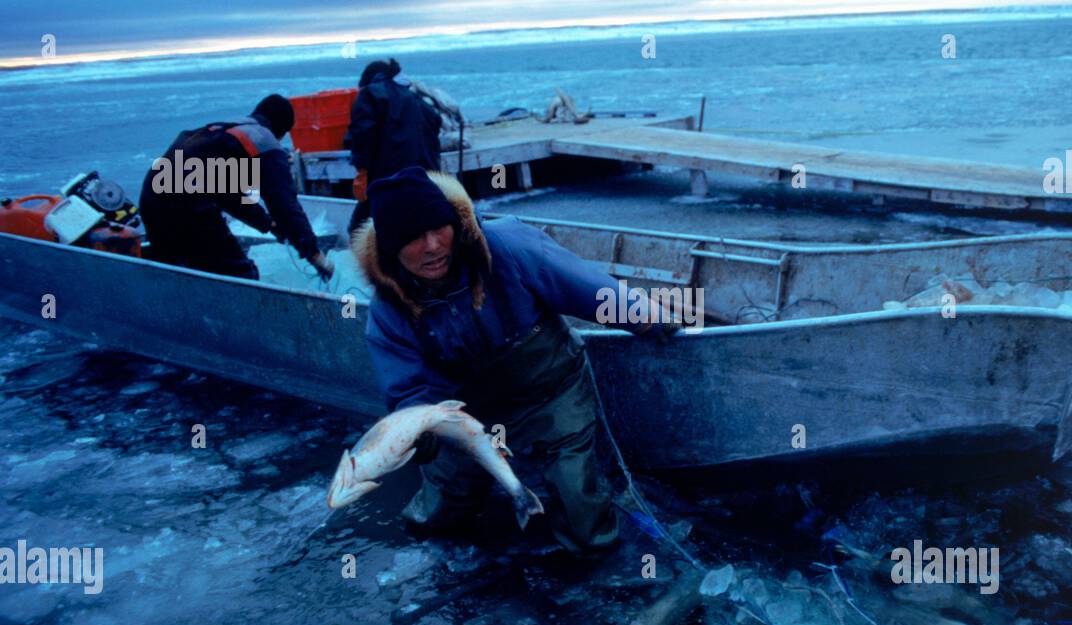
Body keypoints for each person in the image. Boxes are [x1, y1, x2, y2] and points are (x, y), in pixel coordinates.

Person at [353, 167, 676, 557]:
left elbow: (590, 289)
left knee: (579, 504)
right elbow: (408, 391)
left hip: (549, 392)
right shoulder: (388, 310)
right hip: (465, 416)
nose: (433, 246)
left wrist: (649, 317)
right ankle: (447, 558)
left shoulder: (508, 245)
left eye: (439, 228)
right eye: (413, 238)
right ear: (391, 249)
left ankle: (604, 569)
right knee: (440, 513)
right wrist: (417, 435)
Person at [139, 94, 334, 281]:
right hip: (187, 205)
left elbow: (228, 195)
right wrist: (314, 253)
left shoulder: (220, 130)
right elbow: (284, 204)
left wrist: (267, 223)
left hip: (151, 201)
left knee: (177, 270)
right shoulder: (264, 141)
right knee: (239, 274)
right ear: (282, 132)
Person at [343, 58, 443, 231]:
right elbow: (435, 125)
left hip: (389, 181)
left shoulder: (370, 94)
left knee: (359, 229)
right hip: (426, 180)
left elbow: (362, 133)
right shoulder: (419, 101)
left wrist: (361, 170)